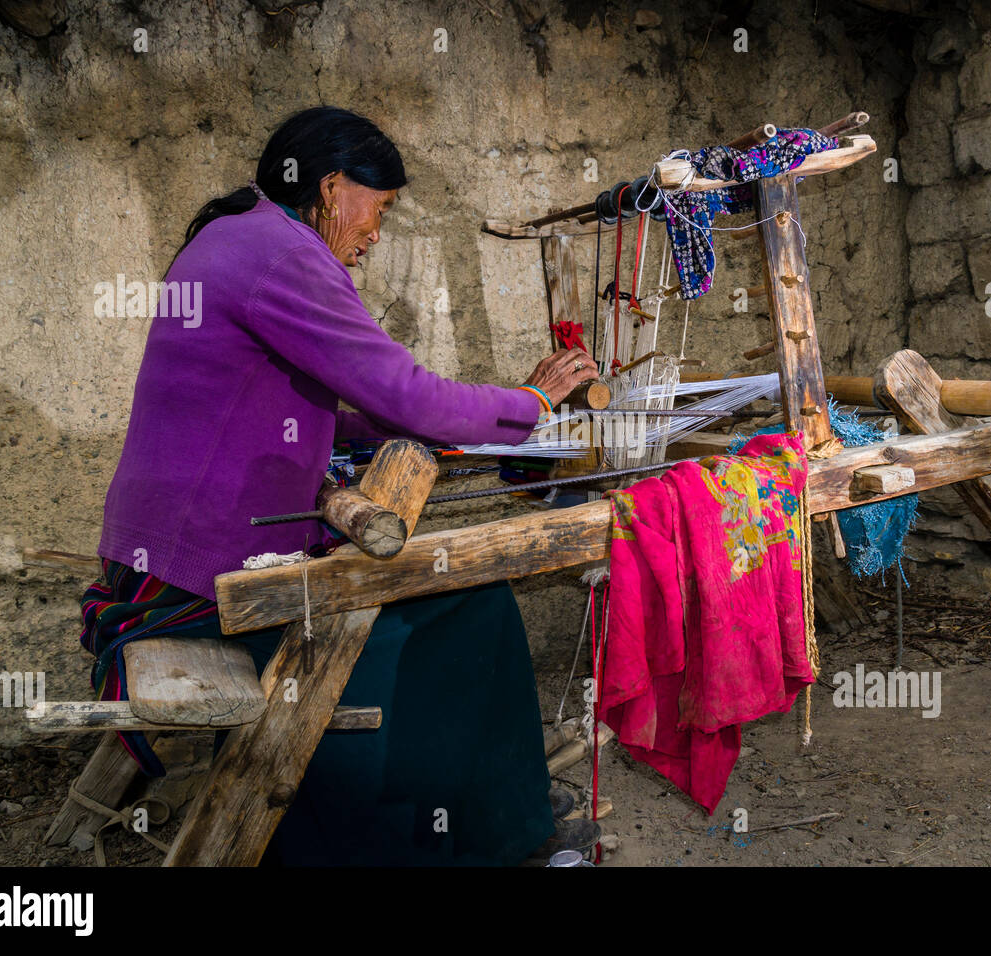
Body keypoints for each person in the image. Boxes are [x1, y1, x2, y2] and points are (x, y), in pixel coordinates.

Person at [78, 105, 600, 865]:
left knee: (464, 602)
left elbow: (286, 410)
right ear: (331, 187)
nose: (376, 233)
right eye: (378, 209)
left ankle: (500, 802)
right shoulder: (283, 255)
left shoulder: (237, 238)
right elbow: (406, 392)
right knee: (449, 619)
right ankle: (476, 827)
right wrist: (530, 404)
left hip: (163, 562)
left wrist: (386, 429)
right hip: (197, 589)